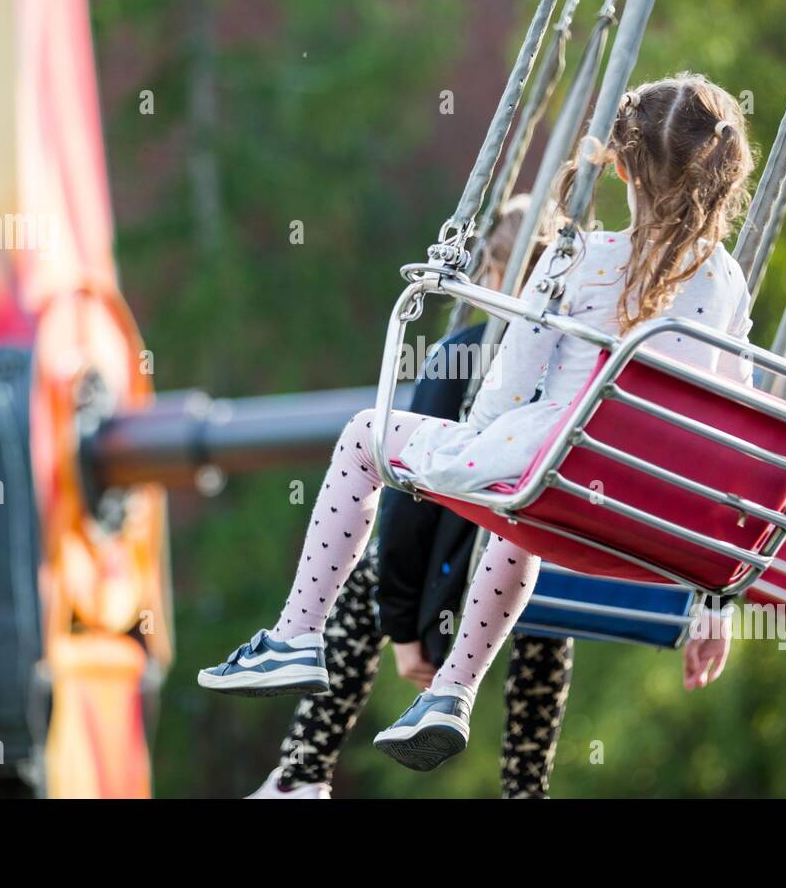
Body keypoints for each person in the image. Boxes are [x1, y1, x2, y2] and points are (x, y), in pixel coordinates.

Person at [199, 73, 757, 772]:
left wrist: (485, 430)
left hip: (558, 487)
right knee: (527, 501)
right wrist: (717, 599)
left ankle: (297, 633)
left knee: (370, 441)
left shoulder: (577, 257)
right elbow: (734, 432)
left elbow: (503, 395)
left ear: (619, 165)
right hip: (652, 523)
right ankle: (449, 696)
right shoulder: (729, 283)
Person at [247, 197, 578, 799]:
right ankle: (526, 787)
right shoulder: (575, 365)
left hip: (467, 560)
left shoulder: (467, 356)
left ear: (494, 278)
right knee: (544, 594)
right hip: (542, 565)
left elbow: (403, 510)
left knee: (362, 578)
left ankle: (303, 771)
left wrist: (404, 631)